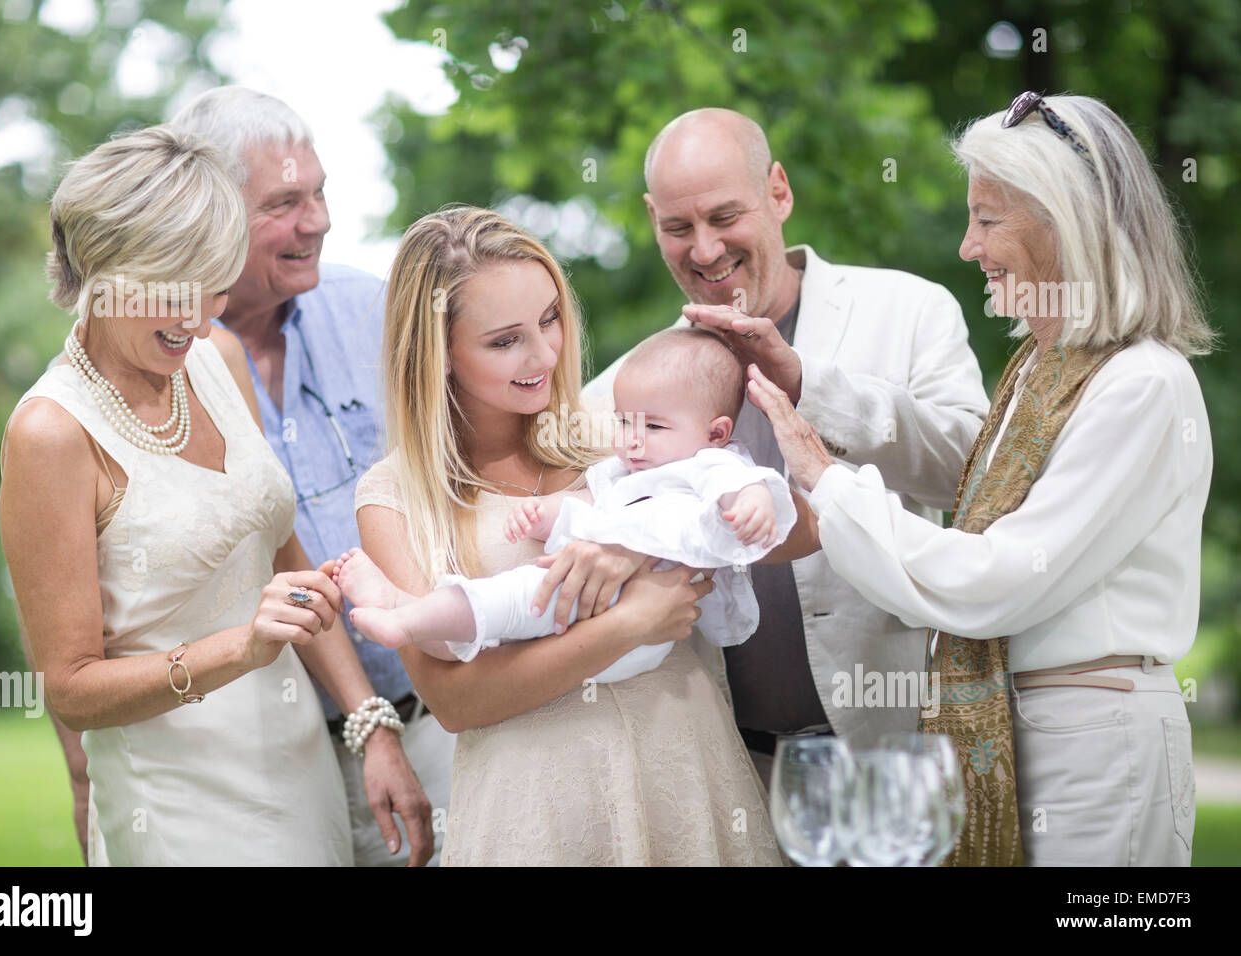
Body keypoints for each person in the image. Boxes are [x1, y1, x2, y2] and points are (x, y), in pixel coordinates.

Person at [747, 92, 1214, 866]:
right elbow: (949, 472)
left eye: (989, 220)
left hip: (1093, 747)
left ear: (1070, 221)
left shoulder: (1142, 385)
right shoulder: (1037, 372)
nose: (969, 247)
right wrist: (813, 393)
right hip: (1034, 728)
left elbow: (993, 579)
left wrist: (827, 480)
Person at [34, 86, 447, 867]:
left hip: (305, 764)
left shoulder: (212, 354)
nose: (198, 317)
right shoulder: (52, 429)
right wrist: (239, 650)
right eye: (177, 289)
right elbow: (70, 673)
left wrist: (368, 722)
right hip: (183, 799)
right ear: (107, 266)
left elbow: (280, 553)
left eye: (213, 290)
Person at [355, 205, 818, 865]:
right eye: (504, 340)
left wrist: (639, 542)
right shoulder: (395, 496)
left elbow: (803, 526)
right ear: (439, 354)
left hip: (682, 764)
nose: (544, 354)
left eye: (550, 319)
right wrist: (631, 621)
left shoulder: (624, 427)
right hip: (535, 809)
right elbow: (456, 700)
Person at [585, 107, 991, 782]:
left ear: (779, 191)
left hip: (890, 750)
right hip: (723, 769)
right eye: (678, 227)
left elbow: (972, 477)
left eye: (724, 216)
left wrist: (806, 383)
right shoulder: (621, 387)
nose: (706, 249)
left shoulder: (911, 309)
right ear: (652, 218)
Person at [332, 327, 796, 684]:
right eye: (623, 422)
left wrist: (755, 502)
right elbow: (589, 497)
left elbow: (750, 486)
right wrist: (547, 511)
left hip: (641, 624)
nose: (631, 440)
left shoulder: (710, 464)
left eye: (653, 427)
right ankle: (407, 611)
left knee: (523, 599)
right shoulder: (627, 466)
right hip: (594, 609)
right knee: (515, 596)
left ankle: (409, 614)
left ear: (715, 432)